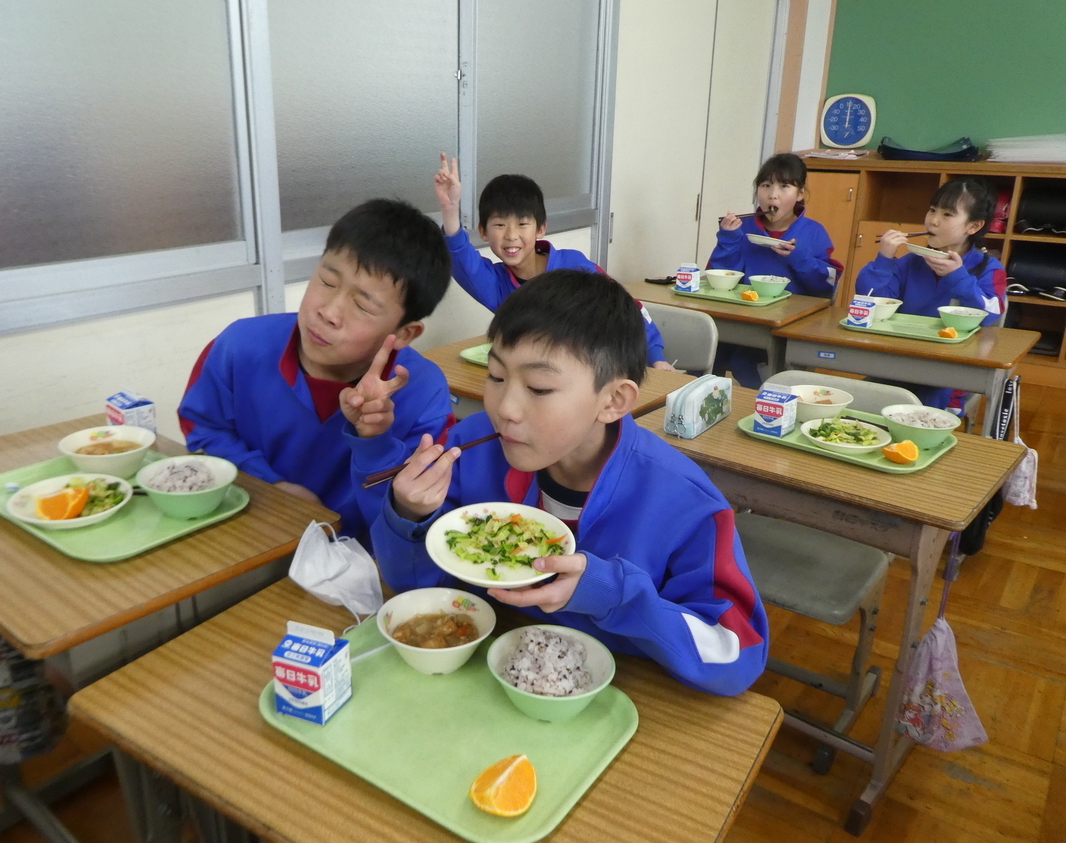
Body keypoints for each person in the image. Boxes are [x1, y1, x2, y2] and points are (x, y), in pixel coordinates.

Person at [371, 269, 768, 696]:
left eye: (539, 388)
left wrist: (613, 594)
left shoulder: (684, 501)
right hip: (488, 679)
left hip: (623, 694)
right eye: (496, 376)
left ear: (613, 400)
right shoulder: (470, 448)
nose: (506, 409)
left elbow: (737, 656)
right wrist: (408, 516)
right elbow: (414, 588)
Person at [178, 198, 454, 541]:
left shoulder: (424, 392)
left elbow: (415, 520)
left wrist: (375, 442)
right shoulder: (240, 346)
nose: (329, 312)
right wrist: (274, 486)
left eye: (362, 305)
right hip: (247, 536)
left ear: (403, 334)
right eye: (326, 281)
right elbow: (202, 427)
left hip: (360, 556)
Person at [433, 153, 674, 370]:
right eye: (499, 224)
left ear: (541, 229)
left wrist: (656, 358)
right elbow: (463, 261)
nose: (511, 235)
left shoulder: (575, 267)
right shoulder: (497, 284)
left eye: (522, 224)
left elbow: (625, 308)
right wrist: (450, 209)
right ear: (483, 232)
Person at [855, 176, 1005, 409]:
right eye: (932, 210)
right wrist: (884, 260)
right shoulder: (912, 261)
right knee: (863, 402)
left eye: (947, 214)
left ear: (973, 226)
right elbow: (871, 302)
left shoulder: (988, 268)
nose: (933, 221)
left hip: (952, 370)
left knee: (926, 411)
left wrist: (958, 276)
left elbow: (990, 314)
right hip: (900, 359)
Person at [709, 152, 842, 387]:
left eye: (784, 186)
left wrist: (800, 258)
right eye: (766, 185)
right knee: (708, 350)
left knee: (744, 362)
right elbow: (718, 278)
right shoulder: (743, 228)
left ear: (800, 194)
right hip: (742, 319)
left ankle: (762, 404)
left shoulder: (813, 232)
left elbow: (826, 286)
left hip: (788, 327)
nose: (773, 194)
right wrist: (728, 240)